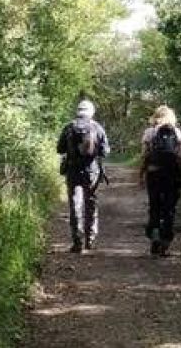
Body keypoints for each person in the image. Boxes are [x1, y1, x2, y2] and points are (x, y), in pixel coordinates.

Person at [56, 99, 110, 253]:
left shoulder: (69, 127)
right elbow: (105, 151)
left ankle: (77, 241)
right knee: (91, 202)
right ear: (91, 112)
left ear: (78, 111)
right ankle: (90, 239)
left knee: (74, 203)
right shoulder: (97, 127)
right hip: (91, 171)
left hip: (72, 170)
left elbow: (59, 149)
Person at [139, 105, 181, 256]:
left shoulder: (149, 132)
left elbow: (144, 155)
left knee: (155, 206)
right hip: (172, 175)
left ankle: (154, 236)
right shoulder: (177, 132)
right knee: (169, 208)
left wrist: (141, 174)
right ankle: (165, 242)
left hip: (154, 174)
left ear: (156, 116)